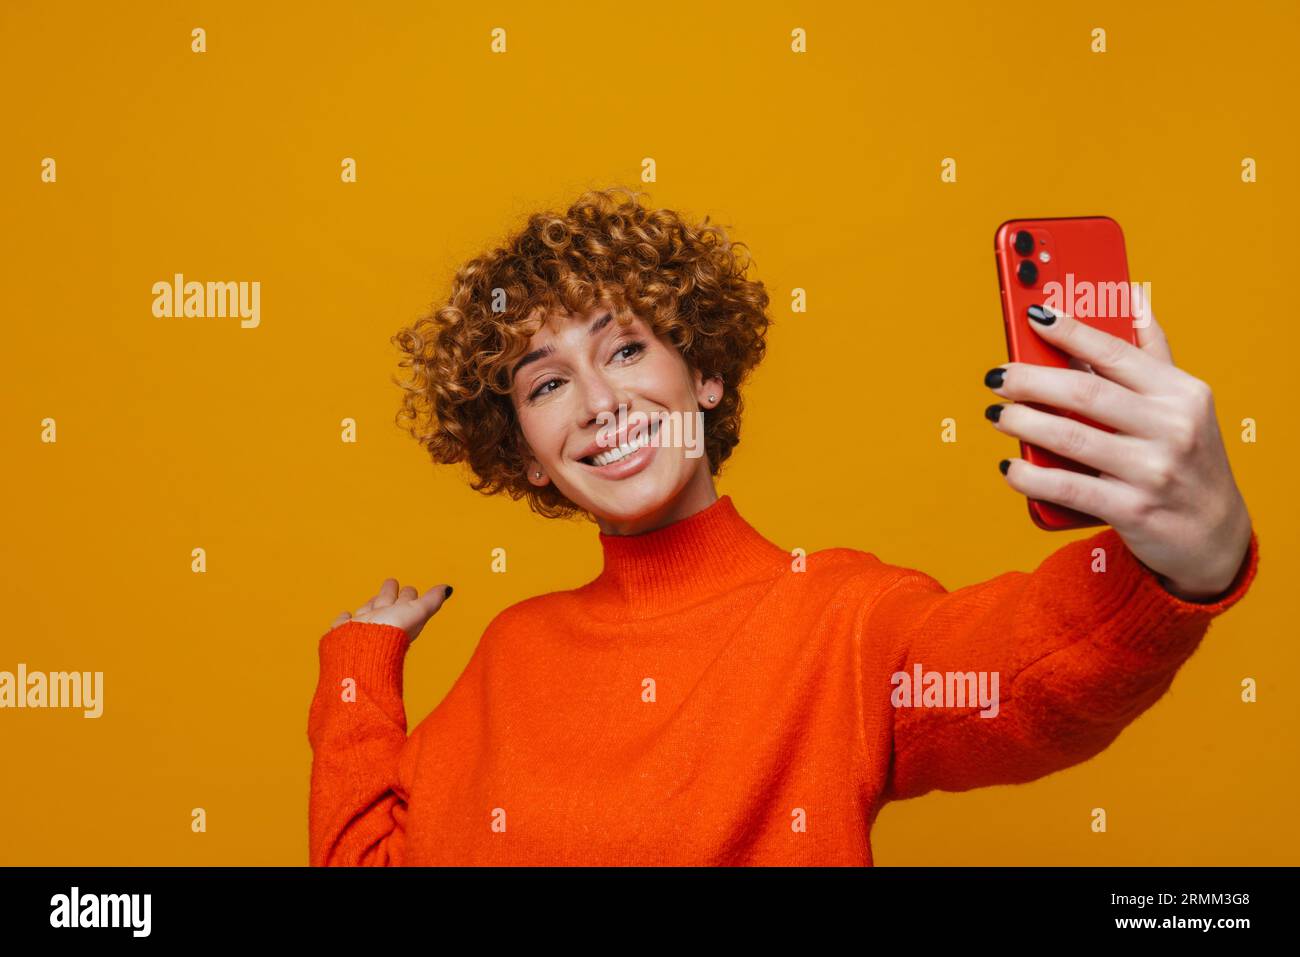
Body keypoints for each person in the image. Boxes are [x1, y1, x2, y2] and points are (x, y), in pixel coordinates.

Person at [308, 187, 1258, 865]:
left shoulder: (842, 617)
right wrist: (360, 665)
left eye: (627, 348)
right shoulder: (510, 653)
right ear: (523, 448)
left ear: (706, 375)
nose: (598, 401)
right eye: (548, 382)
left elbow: (1034, 674)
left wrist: (1182, 558)